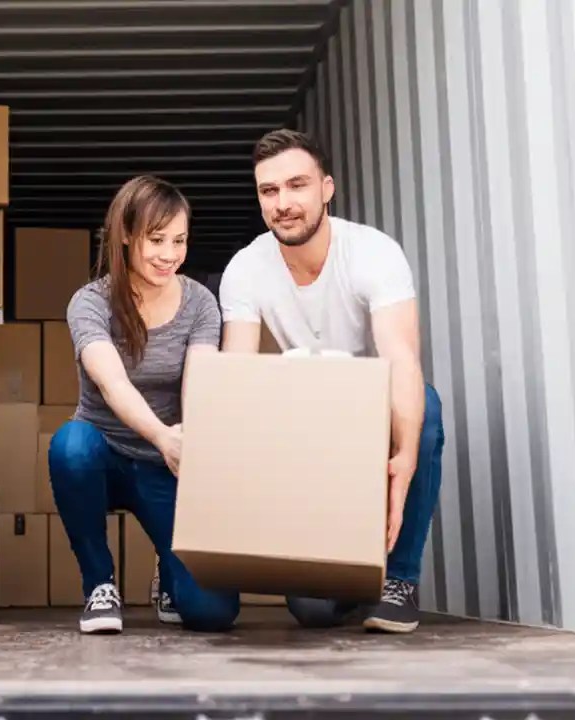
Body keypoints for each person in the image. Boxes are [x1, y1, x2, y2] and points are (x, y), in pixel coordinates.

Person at [217, 128, 445, 634]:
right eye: (268, 191)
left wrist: (404, 459)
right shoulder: (245, 269)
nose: (283, 203)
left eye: (297, 185)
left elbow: (402, 361)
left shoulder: (372, 253)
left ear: (327, 188)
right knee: (313, 612)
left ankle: (398, 582)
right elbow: (235, 377)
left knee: (424, 405)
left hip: (372, 414)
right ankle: (354, 579)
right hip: (301, 426)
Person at [48, 175, 240, 635]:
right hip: (105, 456)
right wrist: (161, 436)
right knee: (70, 445)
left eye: (180, 240)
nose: (169, 254)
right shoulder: (90, 302)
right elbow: (111, 383)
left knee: (213, 612)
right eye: (157, 240)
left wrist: (185, 446)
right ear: (127, 234)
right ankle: (99, 584)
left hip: (166, 463)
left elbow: (200, 381)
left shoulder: (200, 303)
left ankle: (169, 573)